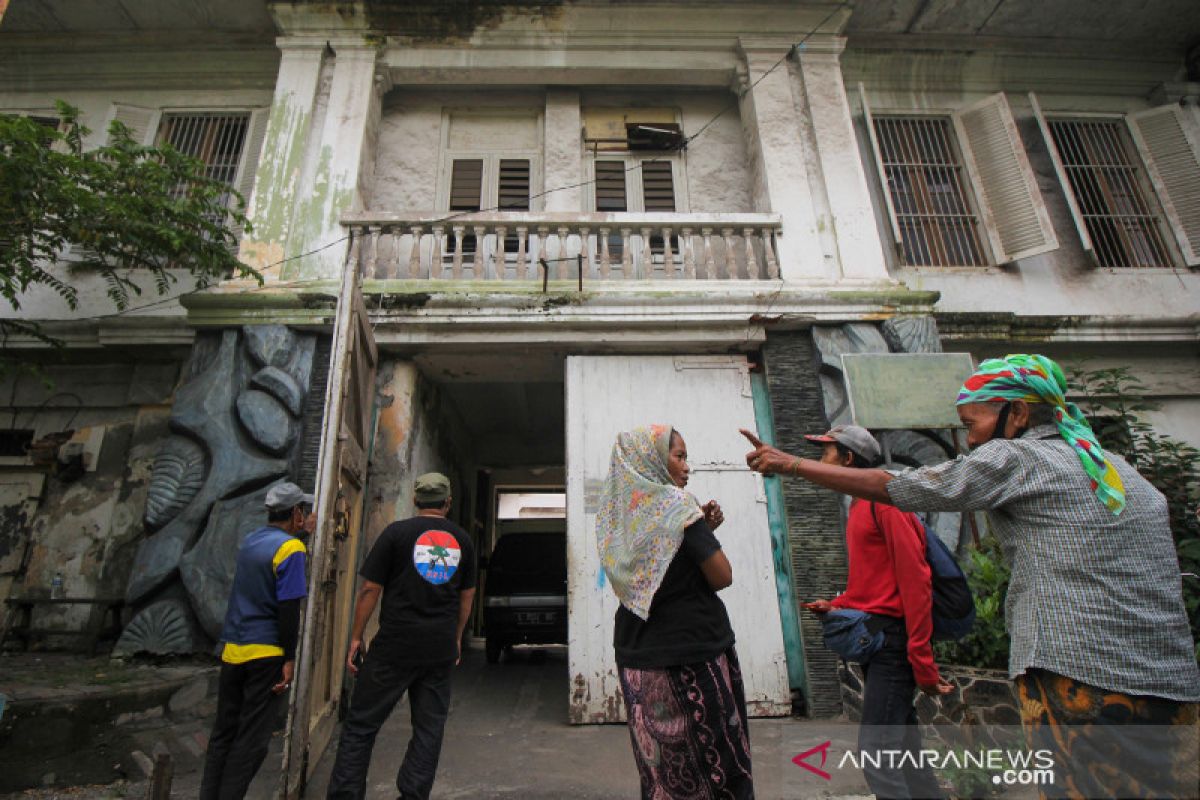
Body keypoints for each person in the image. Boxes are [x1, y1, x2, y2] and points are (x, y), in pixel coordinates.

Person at [742, 354, 1200, 798]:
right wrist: (843, 603)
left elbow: (907, 491)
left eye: (971, 425)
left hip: (1077, 671)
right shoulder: (1115, 469)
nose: (972, 441)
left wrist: (789, 465)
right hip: (1166, 677)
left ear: (1017, 413)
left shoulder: (1018, 458)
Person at [597, 424, 752, 800]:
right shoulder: (676, 506)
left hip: (637, 655)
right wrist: (702, 529)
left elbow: (659, 569)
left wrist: (700, 528)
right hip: (692, 653)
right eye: (679, 456)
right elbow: (721, 576)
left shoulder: (617, 517)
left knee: (660, 769)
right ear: (651, 460)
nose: (687, 467)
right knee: (717, 769)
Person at [801, 425, 948, 800]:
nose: (822, 460)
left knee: (877, 753)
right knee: (905, 752)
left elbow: (916, 582)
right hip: (878, 641)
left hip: (894, 645)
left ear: (848, 459)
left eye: (827, 452)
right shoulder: (858, 506)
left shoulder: (885, 503)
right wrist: (839, 605)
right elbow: (872, 584)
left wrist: (922, 659)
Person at [325, 472, 476, 800]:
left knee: (362, 725)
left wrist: (356, 636)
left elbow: (370, 589)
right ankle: (412, 795)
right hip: (438, 648)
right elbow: (466, 596)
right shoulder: (462, 540)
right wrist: (456, 637)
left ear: (415, 500)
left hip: (394, 645)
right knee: (429, 728)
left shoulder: (396, 534)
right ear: (448, 503)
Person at [201, 481, 314, 800]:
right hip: (266, 652)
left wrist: (303, 534)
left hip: (234, 650)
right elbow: (288, 608)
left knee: (224, 732)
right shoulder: (292, 549)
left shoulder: (251, 541)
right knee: (252, 739)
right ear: (295, 513)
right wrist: (288, 658)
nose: (304, 517)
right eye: (302, 512)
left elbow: (267, 565)